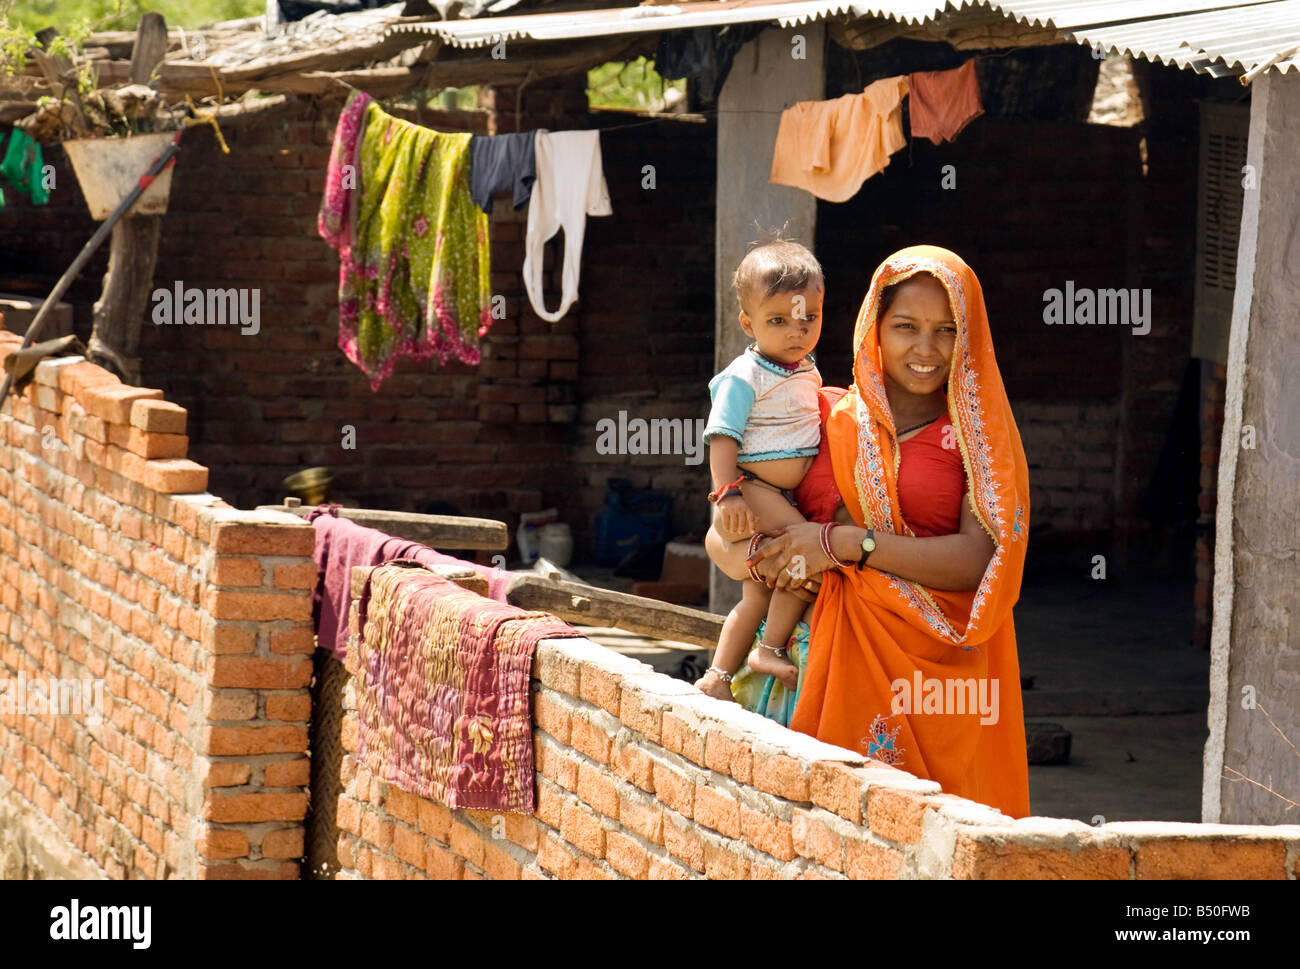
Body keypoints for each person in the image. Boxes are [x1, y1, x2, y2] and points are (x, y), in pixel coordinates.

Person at [703, 245, 1031, 819]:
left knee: (931, 838)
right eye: (905, 327)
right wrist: (755, 555)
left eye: (946, 330)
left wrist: (846, 545)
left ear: (969, 338)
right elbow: (723, 540)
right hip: (810, 667)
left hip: (937, 685)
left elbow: (981, 561)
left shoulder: (980, 442)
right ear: (874, 329)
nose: (925, 349)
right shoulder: (825, 418)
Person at [697, 239, 828, 698]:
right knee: (806, 559)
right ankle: (769, 648)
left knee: (756, 593)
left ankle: (717, 677)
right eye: (778, 321)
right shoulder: (743, 376)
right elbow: (721, 437)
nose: (797, 331)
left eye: (808, 318)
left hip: (780, 496)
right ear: (747, 323)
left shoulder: (805, 370)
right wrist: (727, 493)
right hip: (754, 491)